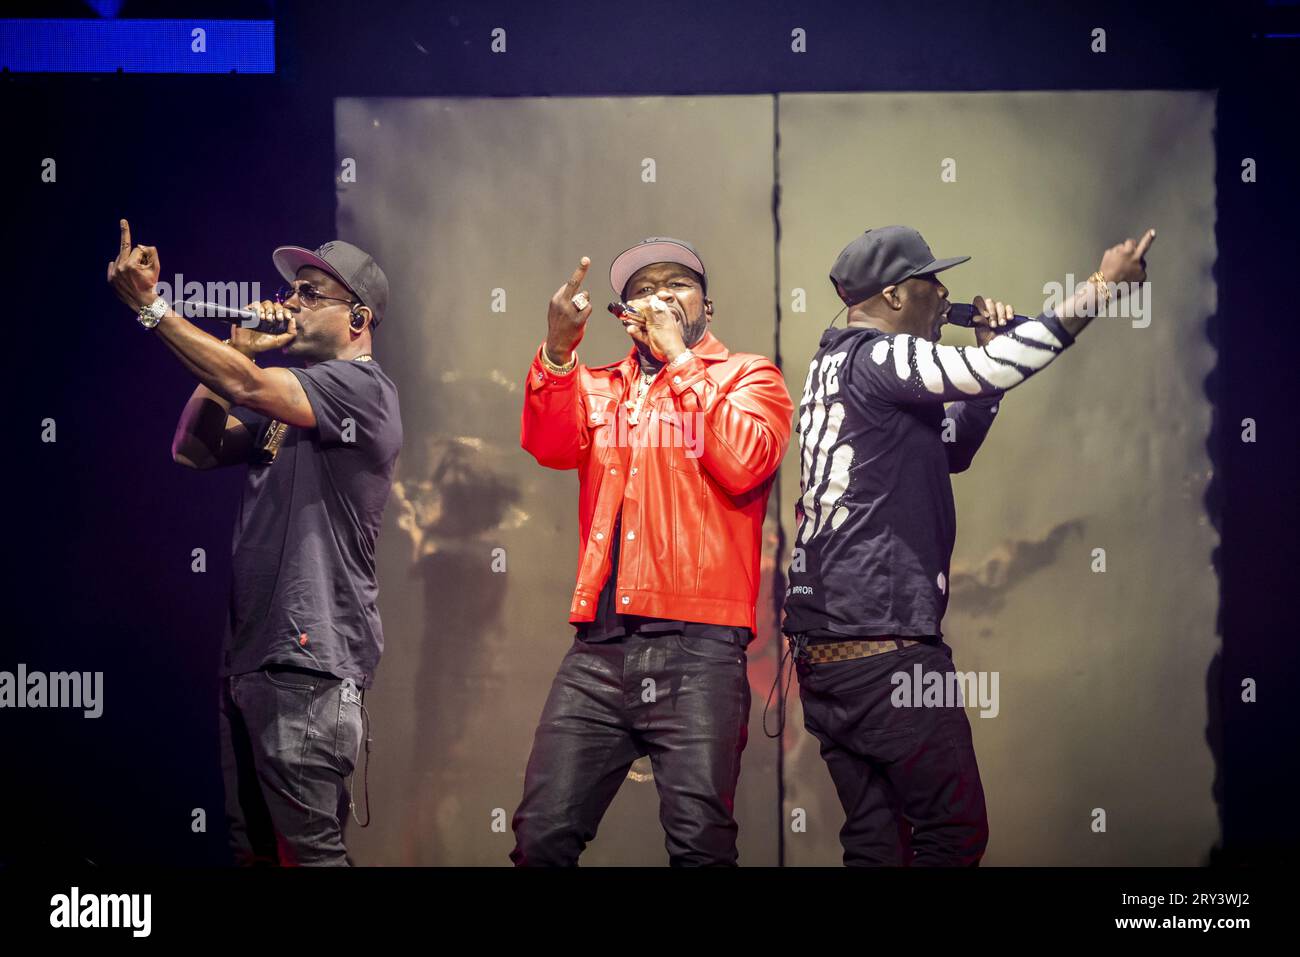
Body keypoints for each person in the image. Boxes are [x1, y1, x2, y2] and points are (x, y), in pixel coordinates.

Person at [782, 224, 1155, 865]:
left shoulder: (835, 368)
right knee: (953, 834)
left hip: (829, 660)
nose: (945, 292)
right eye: (932, 281)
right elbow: (991, 369)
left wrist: (986, 366)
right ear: (897, 296)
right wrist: (1099, 289)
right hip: (889, 655)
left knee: (878, 844)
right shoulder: (879, 355)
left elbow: (949, 449)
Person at [107, 223, 402, 865]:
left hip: (308, 660)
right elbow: (191, 449)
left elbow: (248, 386)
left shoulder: (363, 389)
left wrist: (153, 309)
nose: (289, 302)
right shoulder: (289, 404)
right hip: (254, 658)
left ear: (358, 317)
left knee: (311, 854)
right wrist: (231, 353)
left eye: (307, 292)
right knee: (258, 855)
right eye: (289, 290)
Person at [511, 237, 794, 865]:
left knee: (699, 845)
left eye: (675, 285)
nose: (658, 297)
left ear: (706, 307)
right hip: (599, 649)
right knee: (541, 837)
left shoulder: (749, 376)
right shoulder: (601, 385)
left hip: (698, 648)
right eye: (643, 289)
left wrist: (679, 363)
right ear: (623, 313)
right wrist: (558, 352)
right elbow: (550, 445)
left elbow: (745, 462)